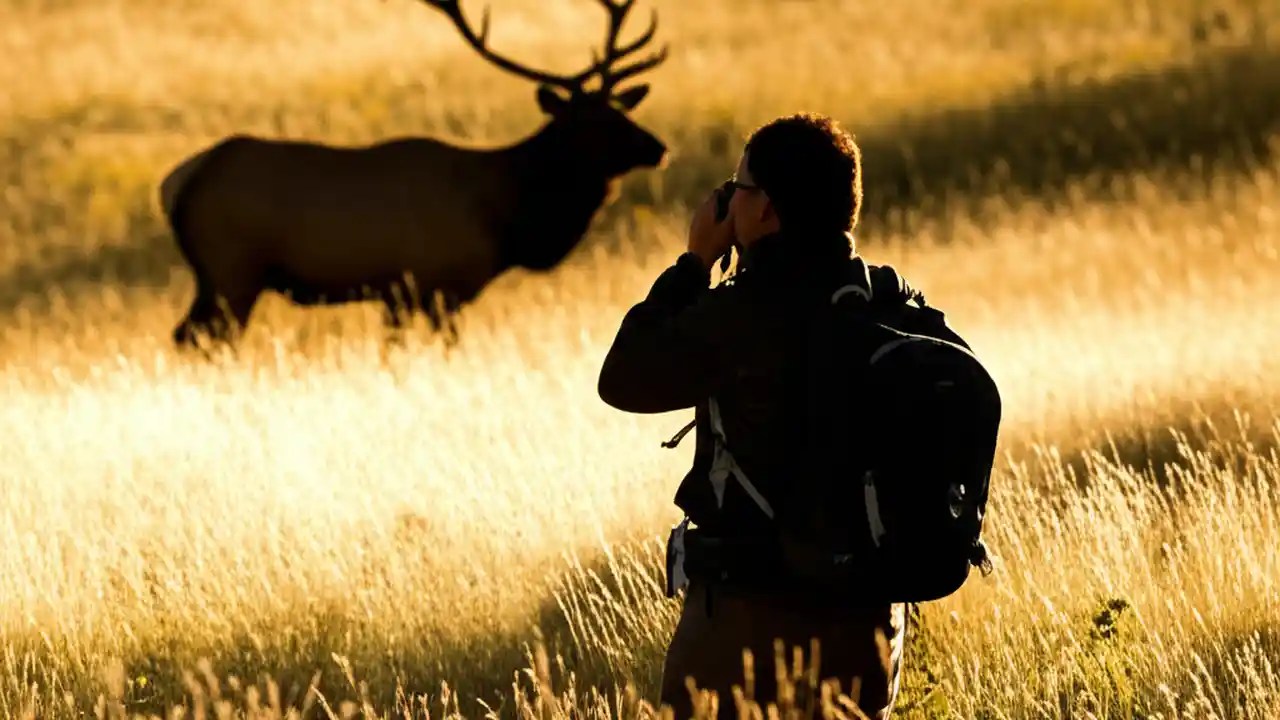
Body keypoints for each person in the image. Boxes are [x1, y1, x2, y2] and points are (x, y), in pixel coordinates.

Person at [597, 113, 922, 720]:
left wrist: (694, 263)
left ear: (766, 210)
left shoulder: (741, 316)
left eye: (737, 188)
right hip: (870, 628)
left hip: (749, 620)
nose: (726, 200)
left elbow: (622, 378)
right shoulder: (889, 305)